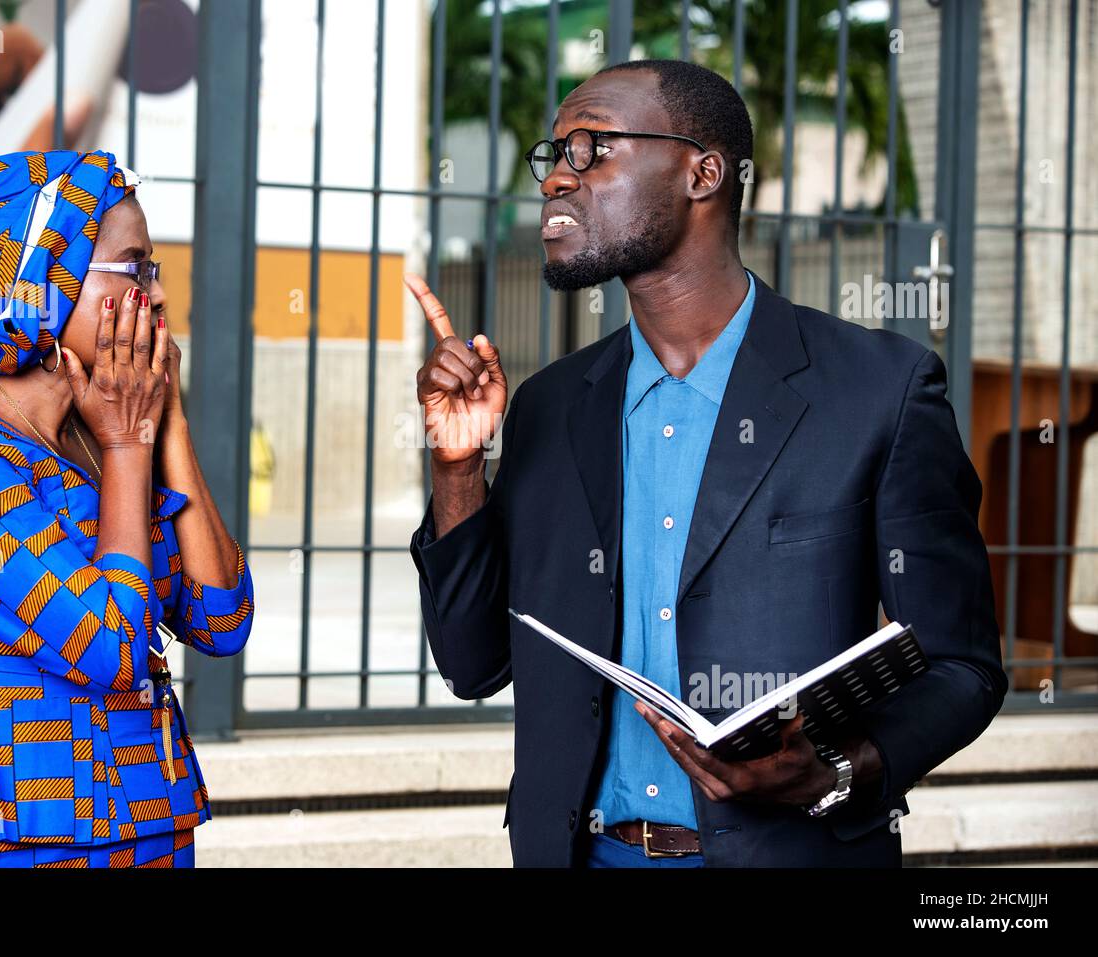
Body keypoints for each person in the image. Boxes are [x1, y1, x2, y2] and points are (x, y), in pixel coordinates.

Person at [406, 59, 1006, 868]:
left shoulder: (880, 390)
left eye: (592, 149)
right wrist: (457, 469)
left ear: (703, 172)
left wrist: (831, 771)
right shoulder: (550, 408)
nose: (558, 180)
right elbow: (473, 663)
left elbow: (962, 666)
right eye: (553, 157)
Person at [0, 148, 254, 868]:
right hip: (15, 830)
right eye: (135, 269)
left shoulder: (95, 432)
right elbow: (112, 646)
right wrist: (131, 446)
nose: (156, 298)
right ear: (40, 278)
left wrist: (170, 427)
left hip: (146, 825)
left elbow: (221, 620)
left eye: (155, 270)